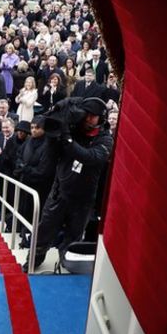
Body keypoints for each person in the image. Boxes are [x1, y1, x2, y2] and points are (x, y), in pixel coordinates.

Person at [26, 99, 114, 271]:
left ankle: (67, 267)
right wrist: (59, 118)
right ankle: (32, 261)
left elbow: (89, 157)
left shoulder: (105, 140)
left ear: (101, 118)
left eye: (93, 116)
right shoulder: (72, 129)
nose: (88, 119)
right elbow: (51, 143)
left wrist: (67, 139)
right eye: (85, 115)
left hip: (83, 200)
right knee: (43, 232)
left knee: (73, 237)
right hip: (59, 193)